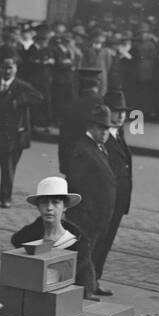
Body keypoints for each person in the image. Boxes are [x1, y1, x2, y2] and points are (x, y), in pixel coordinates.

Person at [0, 45, 44, 207]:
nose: (7, 71)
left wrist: (19, 101)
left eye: (10, 68)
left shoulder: (21, 86)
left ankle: (5, 198)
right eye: (4, 68)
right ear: (0, 68)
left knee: (8, 169)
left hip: (12, 136)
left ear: (16, 69)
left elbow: (38, 97)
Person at [64, 105, 114, 301]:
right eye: (101, 128)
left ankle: (92, 284)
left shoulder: (97, 147)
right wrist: (84, 211)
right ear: (91, 127)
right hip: (88, 214)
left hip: (100, 214)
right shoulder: (83, 150)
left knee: (93, 251)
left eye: (107, 129)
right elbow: (76, 184)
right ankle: (85, 289)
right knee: (84, 252)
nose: (105, 132)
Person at [91, 89, 133, 296]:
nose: (121, 116)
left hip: (118, 201)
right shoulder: (104, 136)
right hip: (106, 201)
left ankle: (94, 278)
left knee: (105, 243)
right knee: (98, 242)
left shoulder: (118, 133)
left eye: (123, 111)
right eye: (116, 111)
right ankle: (90, 281)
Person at [11, 175, 82, 251]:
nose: (49, 208)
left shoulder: (75, 243)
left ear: (65, 207)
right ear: (38, 206)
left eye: (55, 202)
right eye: (44, 202)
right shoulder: (26, 238)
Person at [57, 68, 104, 176]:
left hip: (73, 161)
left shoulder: (71, 105)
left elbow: (63, 140)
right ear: (97, 85)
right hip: (97, 162)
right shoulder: (103, 104)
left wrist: (63, 165)